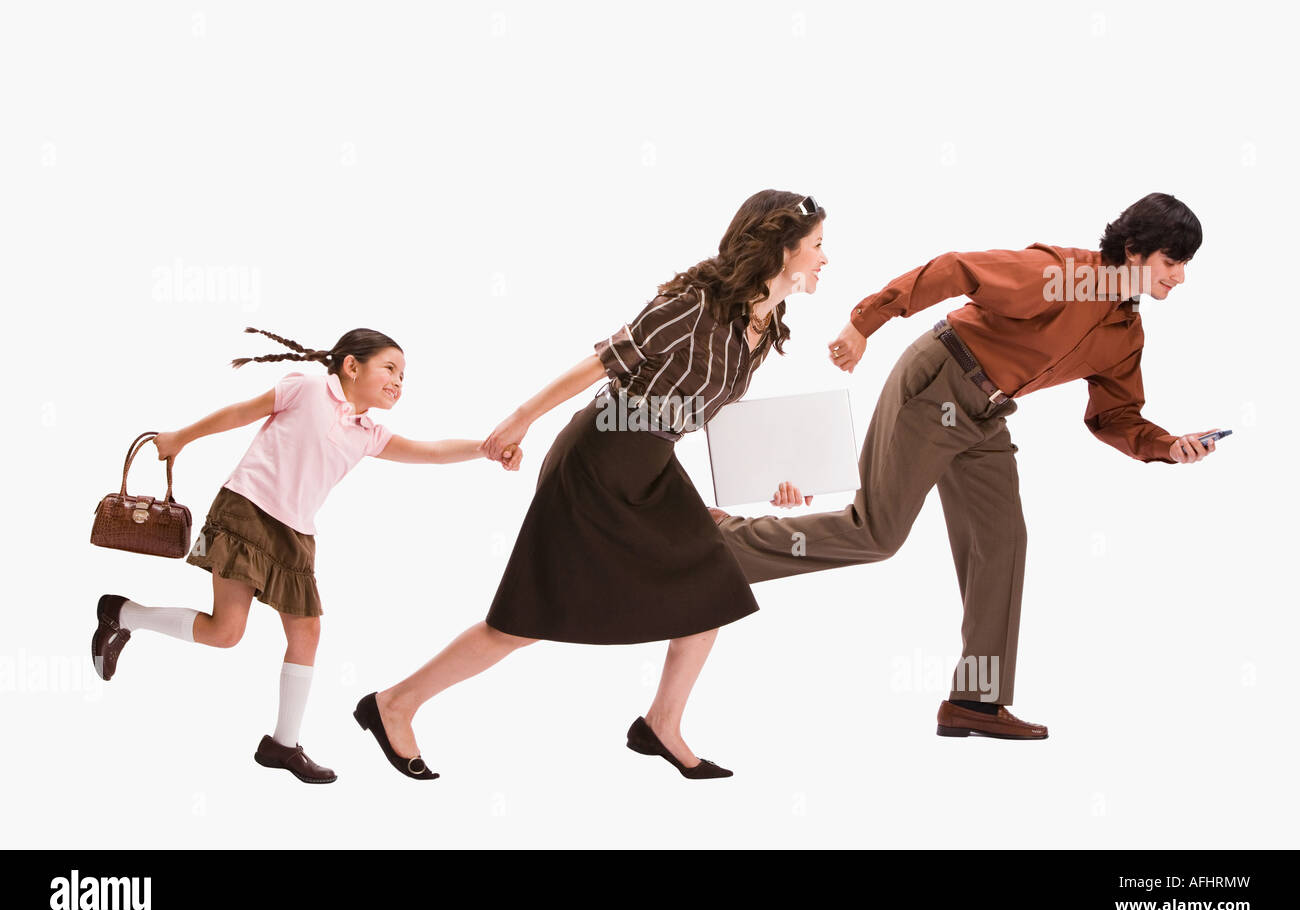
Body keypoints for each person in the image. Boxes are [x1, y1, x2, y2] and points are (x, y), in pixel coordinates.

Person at [354, 189, 828, 780]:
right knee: (522, 622)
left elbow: (713, 413)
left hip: (653, 463)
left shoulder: (765, 323)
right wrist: (520, 418)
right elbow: (601, 363)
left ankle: (662, 725)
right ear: (782, 250)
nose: (823, 259)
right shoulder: (694, 305)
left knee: (711, 592)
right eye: (816, 246)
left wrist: (774, 477)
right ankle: (393, 704)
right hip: (597, 461)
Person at [709, 193, 1219, 740]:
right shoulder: (1061, 276)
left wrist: (1167, 446)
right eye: (1173, 262)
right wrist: (866, 322)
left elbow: (1114, 415)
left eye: (1186, 264)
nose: (1181, 277)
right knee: (875, 534)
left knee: (1001, 543)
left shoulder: (1125, 333)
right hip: (940, 380)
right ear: (1136, 250)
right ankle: (721, 543)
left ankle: (975, 703)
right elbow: (958, 270)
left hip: (986, 412)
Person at [91, 327, 520, 783]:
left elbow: (430, 452)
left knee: (299, 632)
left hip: (296, 534)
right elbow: (240, 412)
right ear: (352, 366)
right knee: (228, 633)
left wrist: (485, 450)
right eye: (390, 368)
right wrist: (181, 437)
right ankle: (123, 614)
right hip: (248, 511)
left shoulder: (368, 433)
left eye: (404, 375)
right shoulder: (309, 387)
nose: (398, 381)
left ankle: (282, 744)